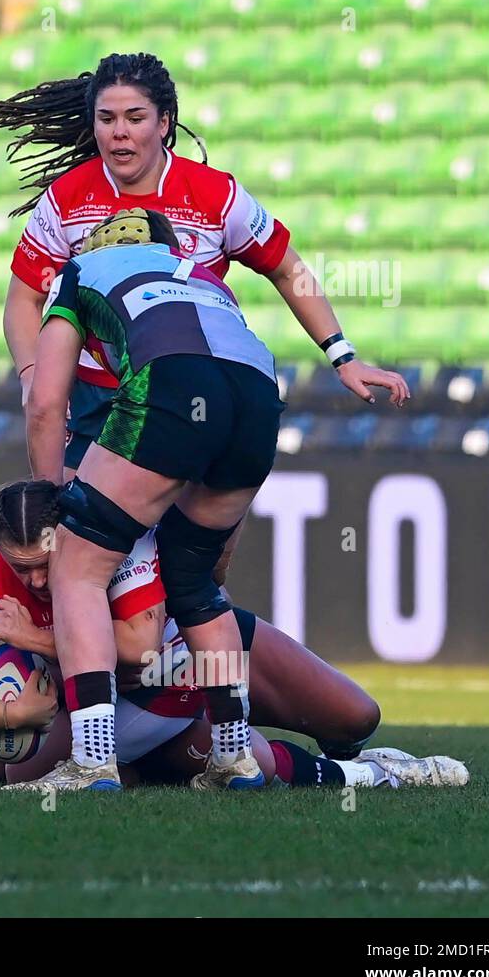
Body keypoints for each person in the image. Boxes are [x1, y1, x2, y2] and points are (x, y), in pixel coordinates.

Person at [0, 51, 410, 580]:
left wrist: (342, 356)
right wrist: (32, 375)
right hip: (98, 400)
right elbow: (23, 299)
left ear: (165, 122)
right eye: (107, 119)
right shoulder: (68, 200)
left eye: (135, 118)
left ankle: (179, 654)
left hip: (186, 395)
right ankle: (92, 659)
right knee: (74, 554)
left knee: (199, 570)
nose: (119, 134)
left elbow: (286, 269)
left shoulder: (215, 195)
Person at [0, 481, 468, 791]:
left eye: (46, 562)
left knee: (356, 716)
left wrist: (37, 641)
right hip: (143, 703)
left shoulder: (113, 541)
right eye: (21, 568)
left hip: (205, 655)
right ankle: (377, 774)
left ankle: (357, 751)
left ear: (68, 534)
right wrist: (10, 717)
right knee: (245, 768)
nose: (37, 580)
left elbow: (141, 647)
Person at [26, 206, 291, 793]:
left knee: (78, 566)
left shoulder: (80, 271)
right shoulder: (205, 273)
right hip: (258, 394)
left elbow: (46, 402)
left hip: (175, 382)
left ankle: (93, 762)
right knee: (195, 581)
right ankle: (234, 757)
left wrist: (50, 501)